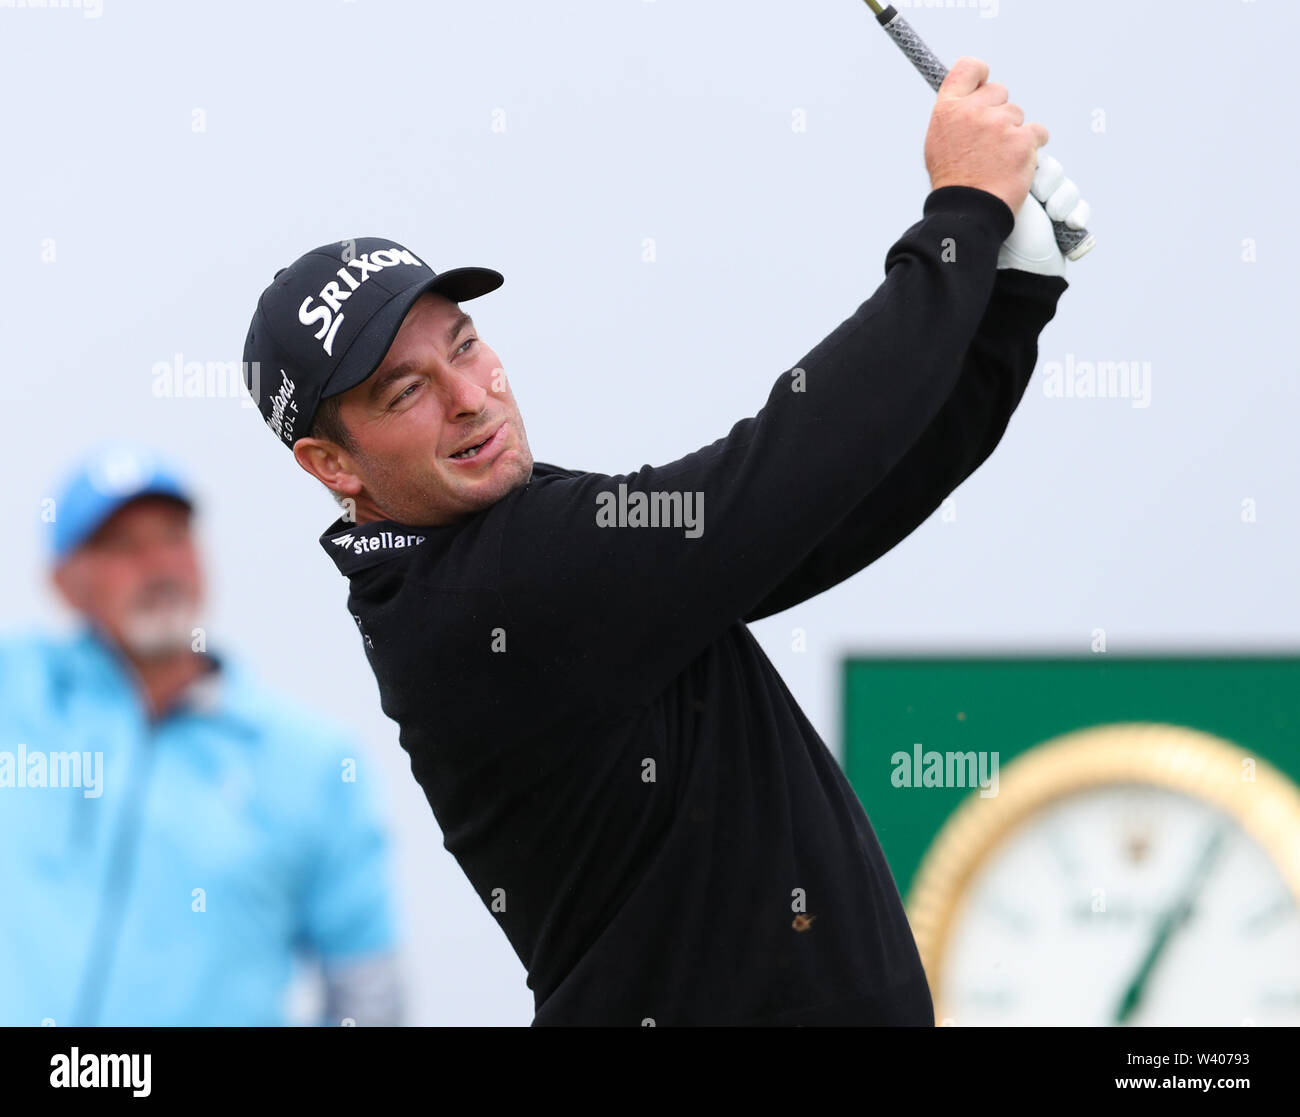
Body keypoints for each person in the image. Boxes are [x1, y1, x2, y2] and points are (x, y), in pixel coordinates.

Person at [240, 58, 1086, 1025]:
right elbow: (785, 469)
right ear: (332, 466)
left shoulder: (497, 541)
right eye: (405, 392)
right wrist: (961, 216)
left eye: (464, 344)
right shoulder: (489, 591)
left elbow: (826, 510)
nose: (471, 396)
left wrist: (1007, 298)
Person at [0, 444, 404, 1026]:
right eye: (122, 546)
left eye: (173, 535)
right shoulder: (16, 695)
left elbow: (368, 994)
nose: (158, 563)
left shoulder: (310, 762)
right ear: (66, 583)